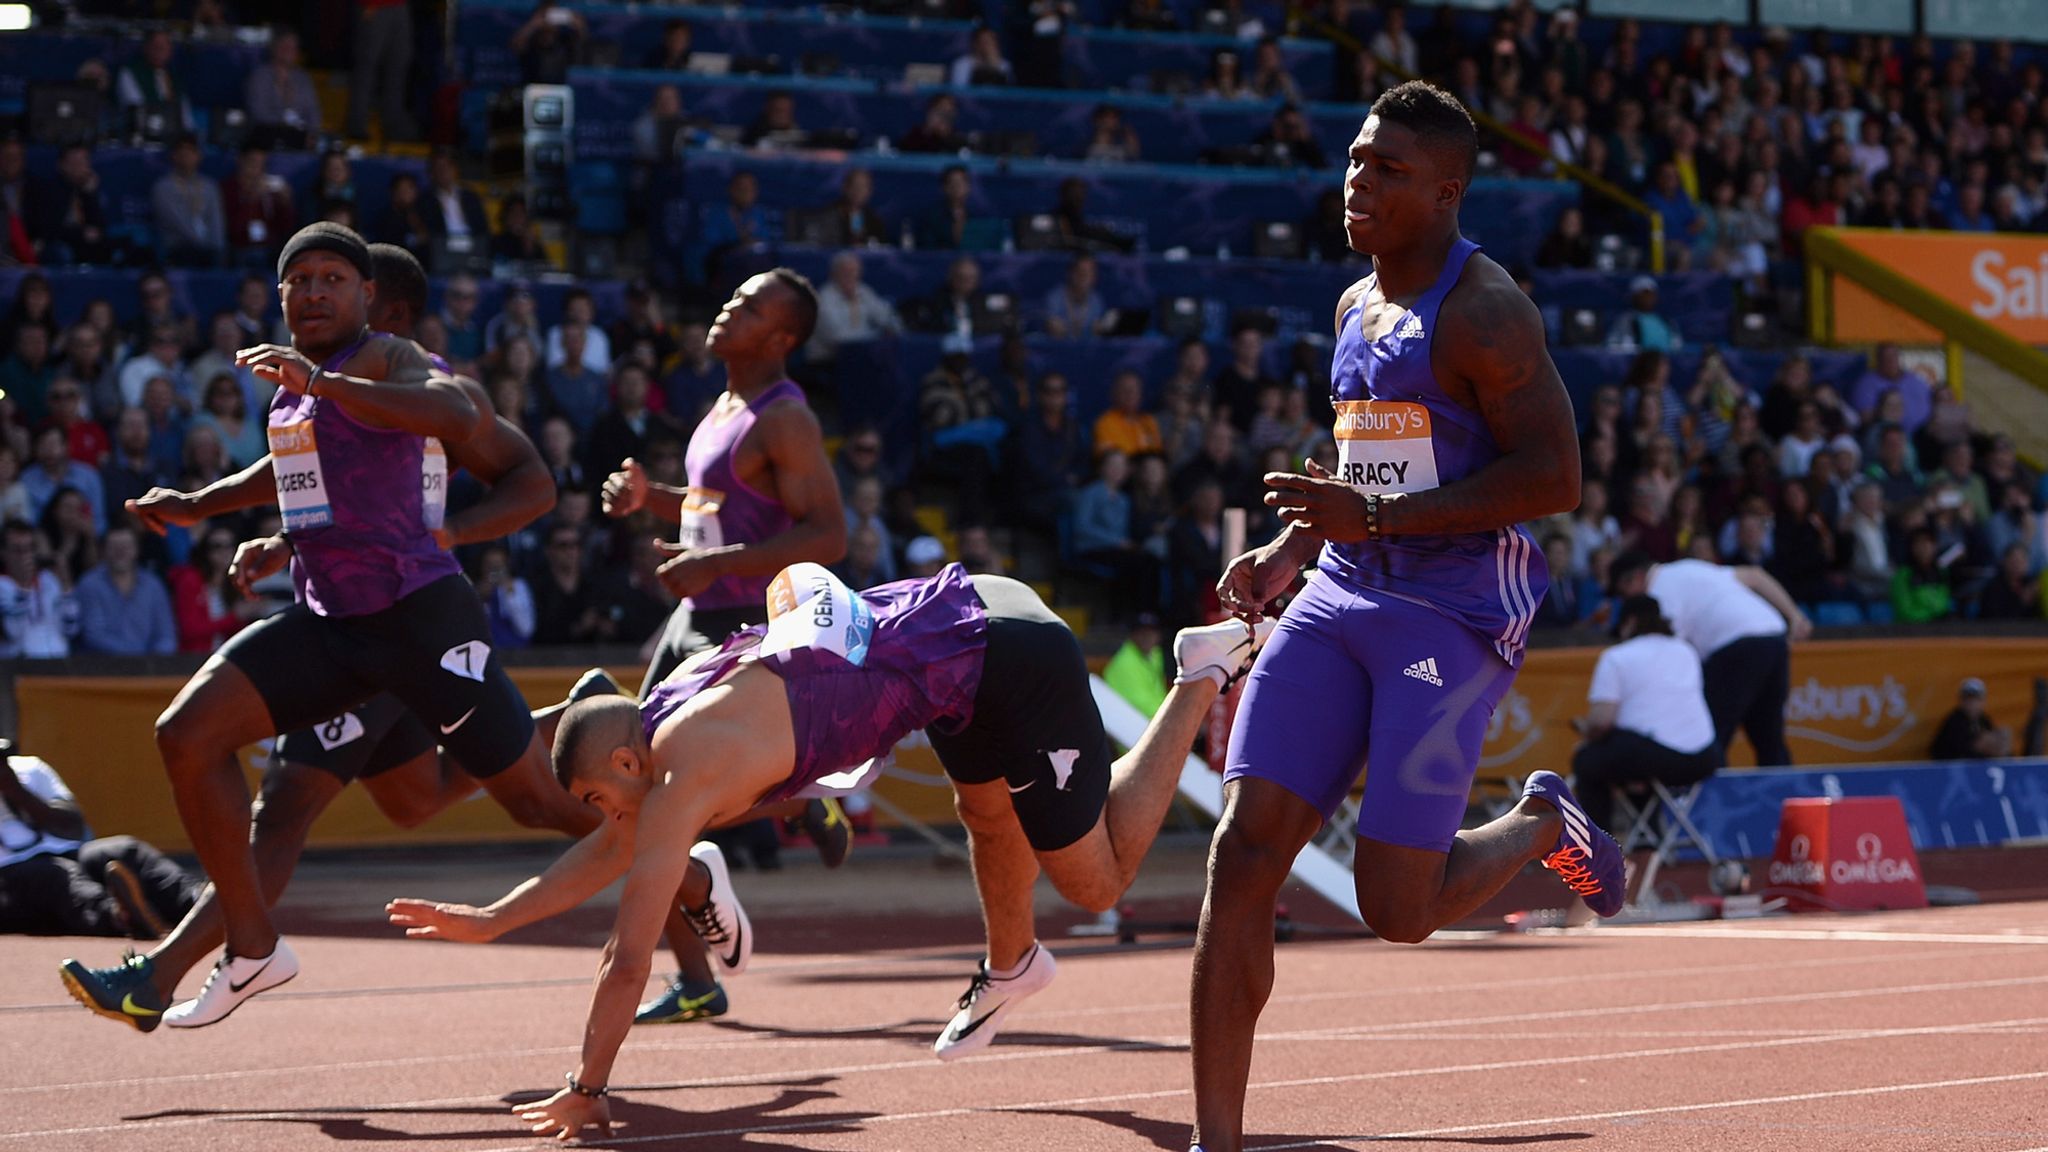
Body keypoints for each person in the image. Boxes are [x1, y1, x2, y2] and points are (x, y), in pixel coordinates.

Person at [385, 562, 1273, 1139]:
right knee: (988, 815)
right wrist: (495, 918)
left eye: (593, 799)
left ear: (624, 762)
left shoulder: (683, 771)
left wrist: (589, 1084)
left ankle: (1197, 675)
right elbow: (618, 845)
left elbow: (626, 956)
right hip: (956, 643)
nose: (601, 815)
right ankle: (1012, 965)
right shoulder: (673, 709)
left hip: (1012, 657)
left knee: (1094, 878)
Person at [1189, 83, 1617, 1152]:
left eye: (1385, 171)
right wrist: (1298, 543)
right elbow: (1367, 451)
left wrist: (1373, 514)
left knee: (1395, 908)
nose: (1357, 183)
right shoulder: (1351, 305)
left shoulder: (1485, 311)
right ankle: (1215, 1141)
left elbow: (1555, 476)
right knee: (1242, 857)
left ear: (1445, 191)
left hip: (1453, 610)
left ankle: (1533, 827)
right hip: (1341, 592)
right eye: (1352, 160)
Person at [53, 224, 592, 1035]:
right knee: (190, 735)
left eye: (331, 277)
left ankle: (682, 864)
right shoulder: (296, 389)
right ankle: (254, 944)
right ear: (278, 297)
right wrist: (208, 507)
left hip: (420, 620)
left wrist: (330, 387)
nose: (312, 291)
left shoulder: (384, 360)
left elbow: (460, 408)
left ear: (368, 295)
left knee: (536, 803)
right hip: (333, 626)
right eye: (296, 279)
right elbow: (297, 472)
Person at [597, 268, 850, 1024]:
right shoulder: (725, 405)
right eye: (732, 297)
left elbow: (828, 535)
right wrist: (655, 500)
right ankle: (699, 976)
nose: (727, 309)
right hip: (697, 611)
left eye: (749, 307)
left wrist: (716, 565)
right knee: (632, 792)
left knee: (653, 796)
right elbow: (725, 506)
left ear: (781, 338)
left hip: (741, 618)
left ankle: (799, 793)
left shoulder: (785, 419)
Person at [1608, 549, 1810, 767]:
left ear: (1636, 578)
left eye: (1624, 594)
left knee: (1710, 734)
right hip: (1773, 637)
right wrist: (1795, 615)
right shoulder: (1691, 568)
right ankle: (1781, 795)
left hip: (1734, 645)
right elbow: (1755, 575)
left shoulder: (1658, 595)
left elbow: (1668, 654)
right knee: (1768, 733)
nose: (1626, 601)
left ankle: (1711, 797)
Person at [1, 740, 199, 939]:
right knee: (57, 875)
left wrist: (15, 789)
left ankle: (200, 903)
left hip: (68, 851)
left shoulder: (31, 769)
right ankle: (122, 917)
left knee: (126, 849)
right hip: (9, 872)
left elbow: (73, 827)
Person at [1568, 595, 1720, 836]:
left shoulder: (1616, 657)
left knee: (1588, 761)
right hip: (1704, 757)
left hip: (1656, 759)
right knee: (1631, 751)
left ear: (1629, 622)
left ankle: (1597, 852)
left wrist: (1586, 731)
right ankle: (1648, 837)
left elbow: (1601, 722)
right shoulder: (1686, 650)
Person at [1930, 678, 2013, 761]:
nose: (1972, 703)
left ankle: (2007, 765)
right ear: (1961, 700)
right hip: (1957, 766)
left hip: (1981, 764)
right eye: (1968, 699)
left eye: (1976, 699)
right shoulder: (1954, 721)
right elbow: (1962, 748)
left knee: (2004, 734)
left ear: (1983, 701)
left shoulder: (1983, 720)